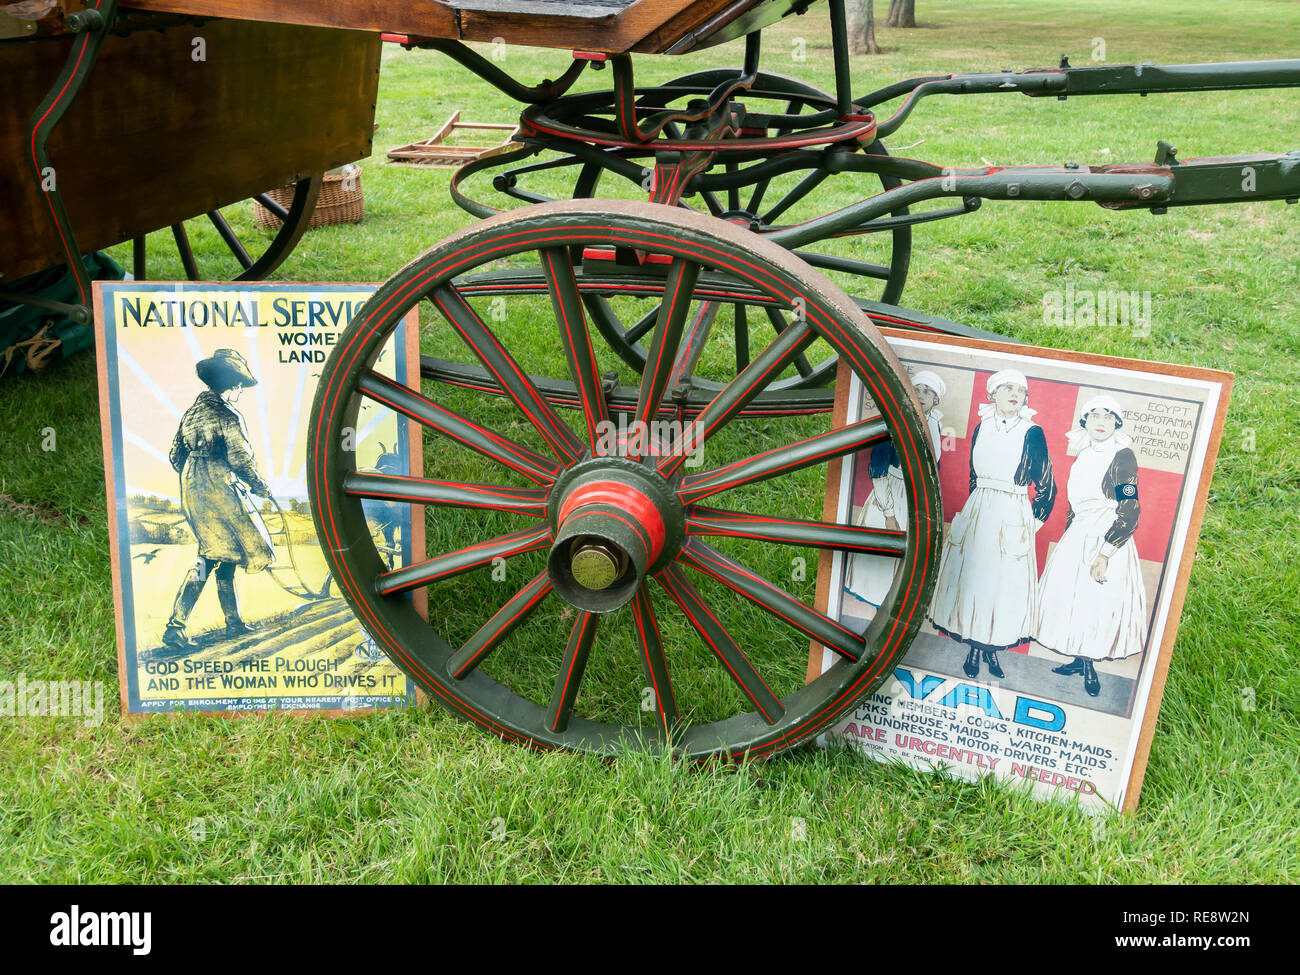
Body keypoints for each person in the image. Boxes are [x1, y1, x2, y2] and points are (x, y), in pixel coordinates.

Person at [928, 369, 1056, 680]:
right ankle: (974, 647)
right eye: (1007, 388)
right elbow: (973, 476)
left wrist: (1030, 525)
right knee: (976, 579)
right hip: (979, 509)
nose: (1015, 394)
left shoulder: (1032, 432)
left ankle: (993, 652)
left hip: (1012, 512)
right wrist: (975, 510)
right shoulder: (981, 427)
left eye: (1020, 390)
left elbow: (1047, 485)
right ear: (993, 394)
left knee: (1002, 584)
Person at [1033, 395, 1147, 697]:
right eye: (1094, 416)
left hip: (1108, 535)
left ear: (1116, 423)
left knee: (1098, 603)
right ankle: (1078, 660)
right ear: (1084, 421)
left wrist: (1106, 553)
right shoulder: (1082, 454)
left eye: (1108, 417)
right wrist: (1073, 538)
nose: (1100, 422)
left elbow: (1130, 506)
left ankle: (1090, 668)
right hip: (1080, 534)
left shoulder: (1123, 456)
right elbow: (1074, 505)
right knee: (1074, 602)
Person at [162, 348, 274, 651]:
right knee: (210, 555)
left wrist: (194, 472)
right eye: (238, 383)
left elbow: (175, 456)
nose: (240, 389)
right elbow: (241, 459)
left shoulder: (191, 413)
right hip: (219, 488)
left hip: (193, 487)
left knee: (224, 554)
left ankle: (233, 622)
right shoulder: (227, 415)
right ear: (230, 383)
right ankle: (176, 626)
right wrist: (259, 486)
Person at [845, 370, 946, 608]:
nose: (922, 395)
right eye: (917, 389)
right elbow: (878, 468)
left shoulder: (935, 425)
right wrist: (889, 513)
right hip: (888, 492)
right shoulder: (896, 419)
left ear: (935, 400)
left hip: (913, 498)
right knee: (876, 563)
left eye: (928, 391)